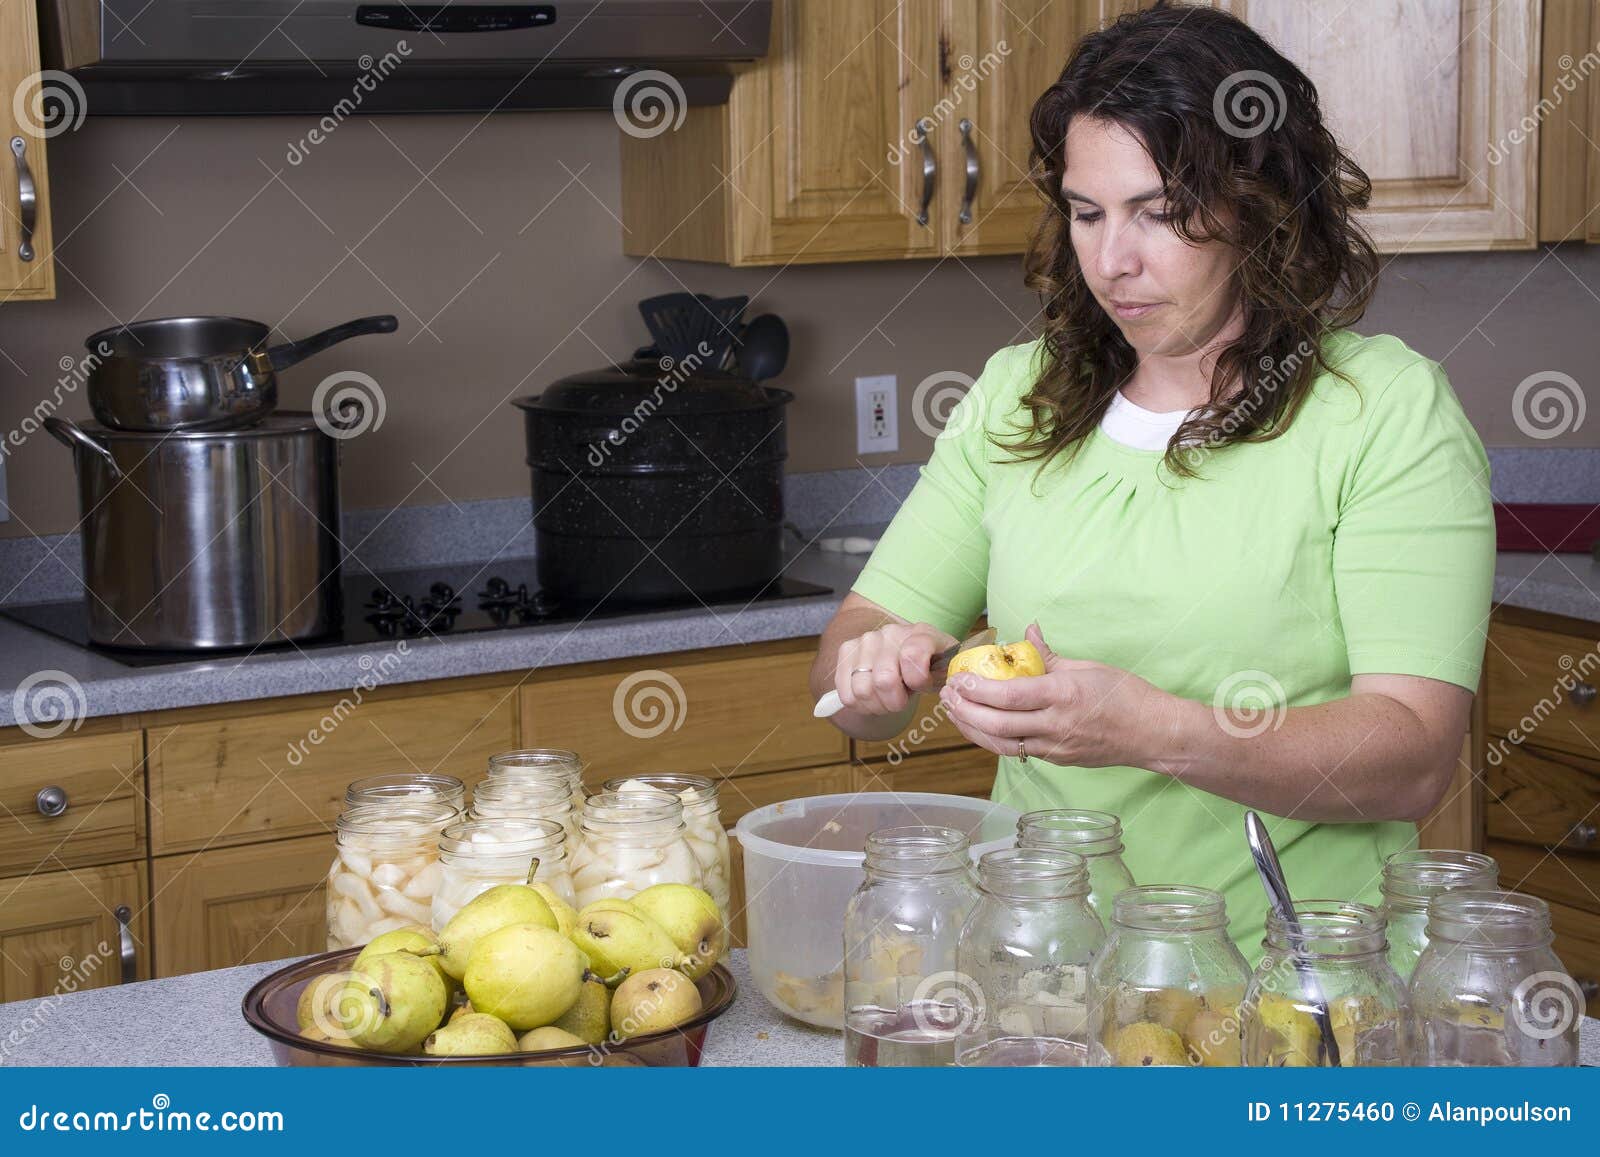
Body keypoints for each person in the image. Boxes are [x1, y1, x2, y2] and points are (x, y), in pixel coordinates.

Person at [809, 4, 1495, 957]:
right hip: (1043, 973)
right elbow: (852, 657)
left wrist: (1155, 730)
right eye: (1087, 214)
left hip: (1295, 981)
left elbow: (1415, 754)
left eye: (1160, 214)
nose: (1111, 260)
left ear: (1259, 206)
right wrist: (875, 670)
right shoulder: (1019, 397)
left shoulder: (1385, 410)